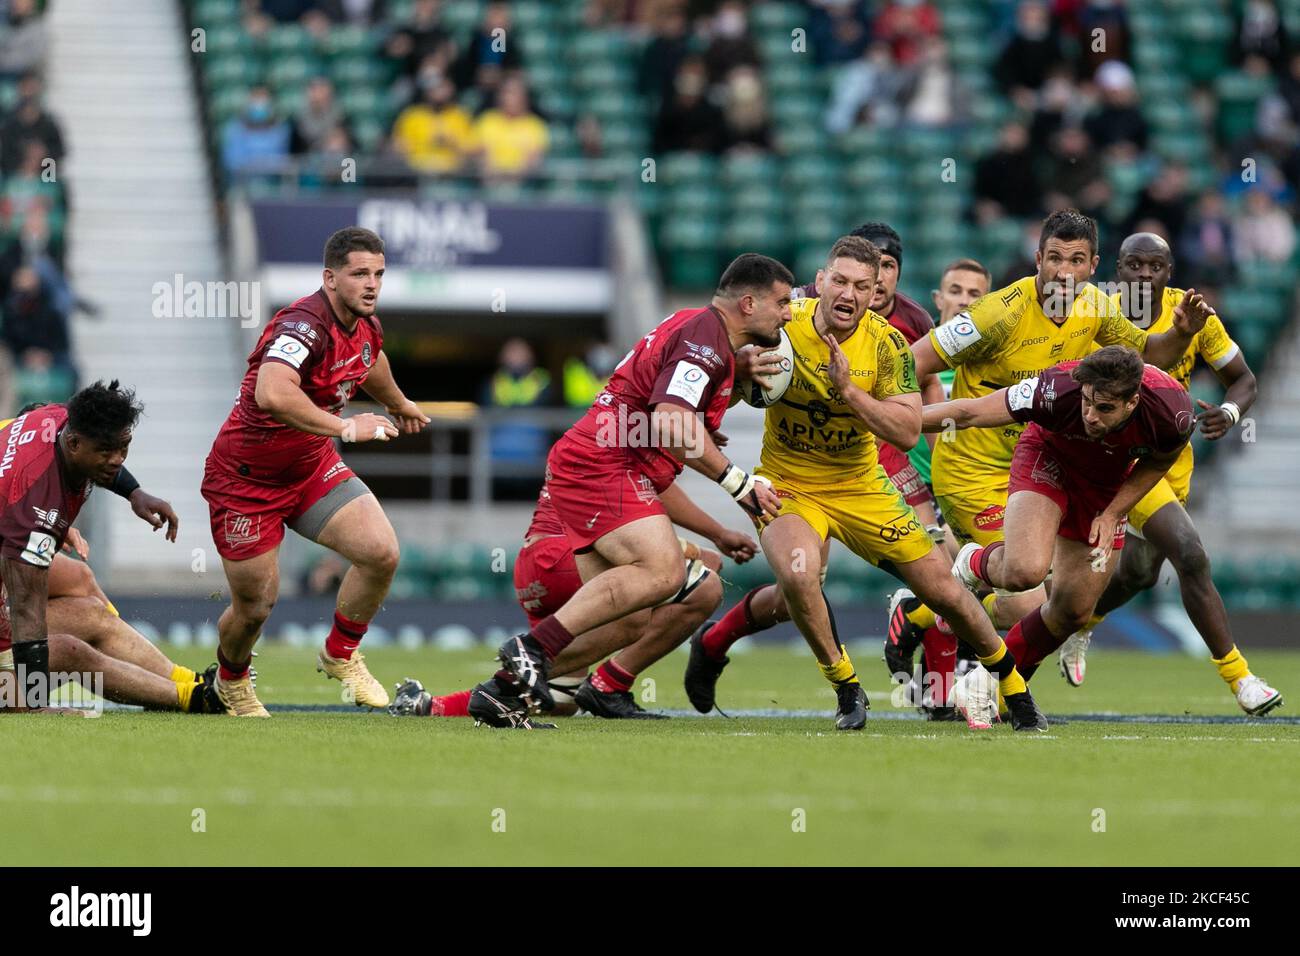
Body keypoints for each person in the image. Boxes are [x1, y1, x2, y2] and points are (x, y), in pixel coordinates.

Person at [684, 237, 1048, 731]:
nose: (848, 294)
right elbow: (710, 400)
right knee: (798, 574)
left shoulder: (889, 344)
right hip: (790, 483)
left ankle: (1012, 684)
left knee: (942, 588)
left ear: (876, 289)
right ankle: (847, 687)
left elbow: (905, 429)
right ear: (821, 279)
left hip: (861, 484)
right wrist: (738, 371)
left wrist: (850, 391)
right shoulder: (781, 325)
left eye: (861, 285)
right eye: (839, 281)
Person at [470, 254, 789, 728]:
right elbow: (671, 420)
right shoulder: (704, 338)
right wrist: (738, 483)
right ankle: (530, 651)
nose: (785, 314)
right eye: (781, 302)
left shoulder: (703, 336)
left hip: (605, 461)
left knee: (637, 611)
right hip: (602, 462)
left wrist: (728, 375)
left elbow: (668, 423)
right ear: (748, 303)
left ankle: (501, 691)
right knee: (663, 572)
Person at [902, 209, 1213, 641]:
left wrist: (1180, 334)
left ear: (1092, 266)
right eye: (1054, 258)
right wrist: (889, 416)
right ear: (1037, 259)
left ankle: (924, 616)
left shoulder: (1098, 308)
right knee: (1027, 596)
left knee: (1068, 605)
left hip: (1041, 468)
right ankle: (951, 621)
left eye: (1075, 260)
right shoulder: (997, 314)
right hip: (975, 470)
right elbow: (912, 363)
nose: (1063, 272)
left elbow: (1146, 358)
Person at [201, 227, 430, 716]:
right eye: (359, 274)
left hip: (308, 468)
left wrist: (399, 403)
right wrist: (345, 429)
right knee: (255, 607)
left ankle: (340, 654)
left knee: (381, 552)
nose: (372, 284)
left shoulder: (365, 325)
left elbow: (368, 361)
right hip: (247, 482)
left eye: (379, 274)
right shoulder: (301, 326)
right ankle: (231, 679)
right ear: (329, 278)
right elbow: (273, 393)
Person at [1054, 232, 1282, 715]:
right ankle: (1241, 679)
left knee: (1139, 572)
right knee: (1191, 555)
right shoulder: (1099, 311)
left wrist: (1230, 412)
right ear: (1118, 269)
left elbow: (1244, 379)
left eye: (1154, 266)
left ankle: (1080, 623)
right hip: (1121, 461)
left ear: (1168, 272)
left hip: (1172, 460)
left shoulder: (1194, 314)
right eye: (1133, 265)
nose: (1143, 275)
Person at [922, 347, 1196, 722]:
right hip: (1046, 461)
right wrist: (890, 420)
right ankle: (973, 562)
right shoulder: (1055, 389)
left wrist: (1114, 511)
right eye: (1086, 402)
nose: (1090, 416)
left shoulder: (1173, 413)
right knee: (1025, 572)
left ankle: (985, 683)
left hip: (1103, 487)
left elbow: (1161, 459)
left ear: (1133, 401)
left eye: (1104, 409)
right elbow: (968, 412)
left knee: (1074, 611)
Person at [388, 481, 758, 726]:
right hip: (567, 557)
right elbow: (629, 526)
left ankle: (431, 706)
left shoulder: (604, 432)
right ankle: (610, 685)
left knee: (557, 698)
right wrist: (701, 544)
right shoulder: (633, 437)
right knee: (699, 588)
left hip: (538, 566)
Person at [0, 382, 182, 711]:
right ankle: (188, 696)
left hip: (18, 519)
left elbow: (94, 453)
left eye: (123, 448)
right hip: (20, 527)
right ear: (72, 443)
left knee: (81, 585)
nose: (117, 460)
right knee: (71, 653)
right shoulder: (34, 508)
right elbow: (26, 607)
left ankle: (184, 682)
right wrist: (34, 703)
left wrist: (134, 493)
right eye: (106, 451)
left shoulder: (58, 418)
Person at [884, 257, 993, 718]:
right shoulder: (920, 362)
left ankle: (937, 679)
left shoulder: (995, 361)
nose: (964, 300)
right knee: (955, 574)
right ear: (938, 299)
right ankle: (945, 679)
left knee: (986, 579)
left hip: (975, 486)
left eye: (975, 294)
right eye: (956, 291)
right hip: (918, 487)